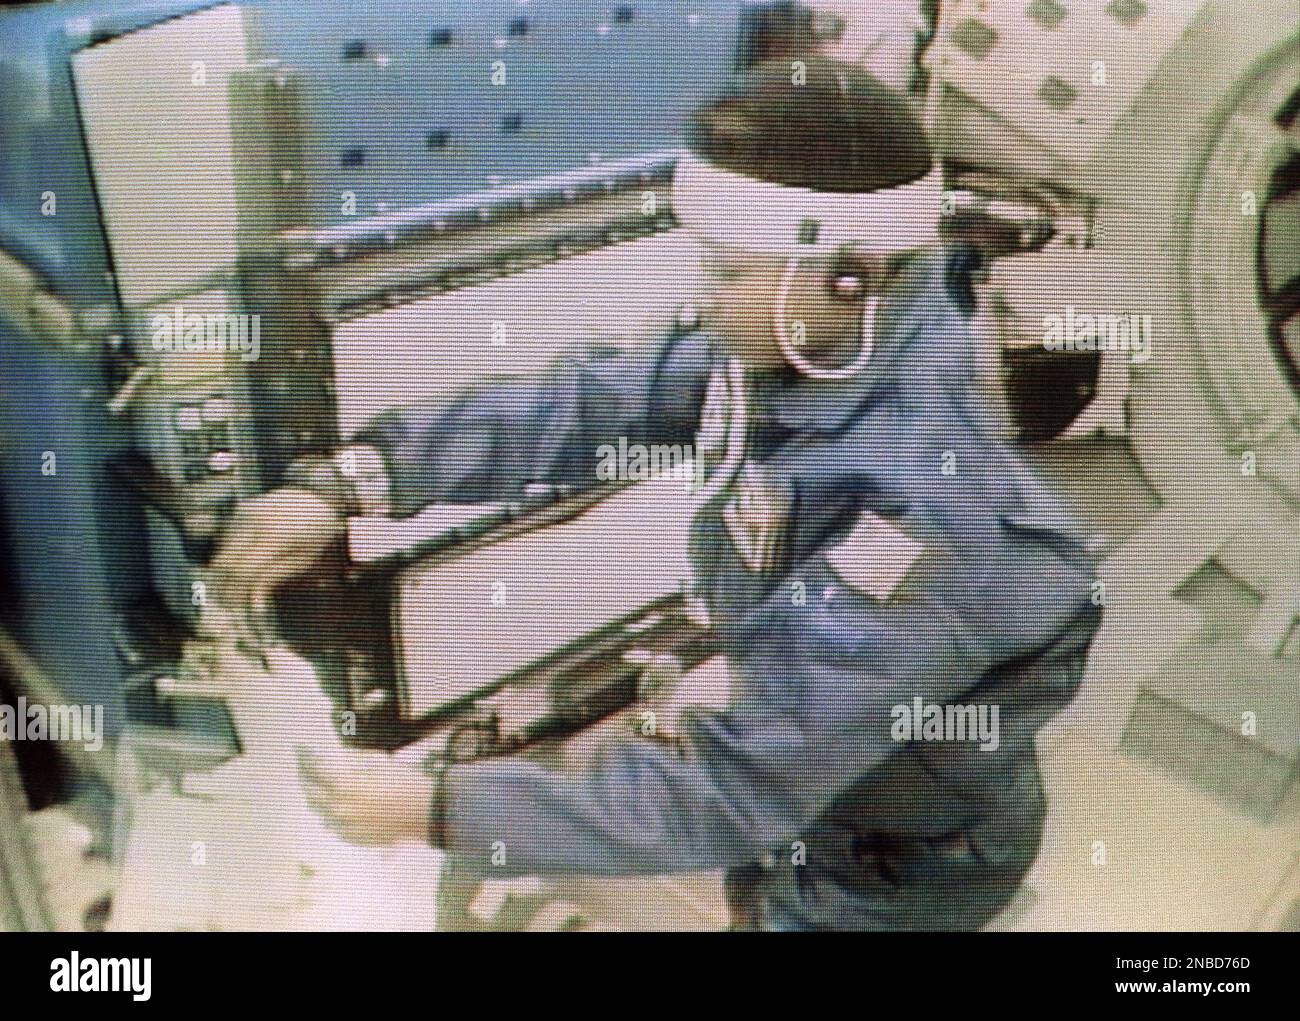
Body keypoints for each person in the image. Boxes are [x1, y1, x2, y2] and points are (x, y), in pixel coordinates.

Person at [212, 58, 1101, 931]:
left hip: (887, 869)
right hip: (822, 795)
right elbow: (595, 404)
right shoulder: (816, 348)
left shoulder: (930, 517)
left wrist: (440, 811)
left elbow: (739, 783)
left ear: (850, 274)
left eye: (727, 275)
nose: (703, 300)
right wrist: (349, 484)